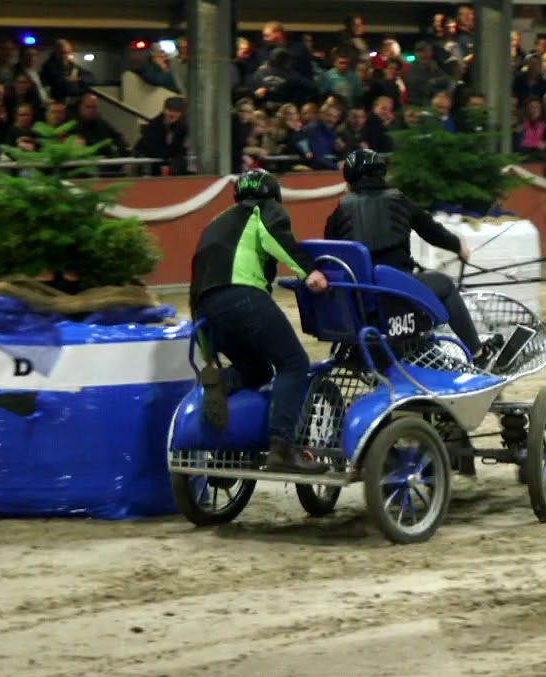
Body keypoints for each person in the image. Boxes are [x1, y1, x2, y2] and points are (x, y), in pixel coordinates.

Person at [189, 169, 331, 474]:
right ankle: (282, 448)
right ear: (273, 195)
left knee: (257, 369)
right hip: (242, 296)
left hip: (205, 307)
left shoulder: (216, 222)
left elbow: (194, 283)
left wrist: (206, 347)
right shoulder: (264, 209)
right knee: (293, 362)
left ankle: (224, 382)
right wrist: (310, 273)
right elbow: (276, 238)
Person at [323, 148, 501, 367]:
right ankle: (479, 354)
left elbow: (329, 253)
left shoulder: (340, 211)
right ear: (382, 174)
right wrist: (458, 247)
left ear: (350, 180)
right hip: (399, 294)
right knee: (444, 285)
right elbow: (431, 230)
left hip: (361, 300)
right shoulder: (398, 200)